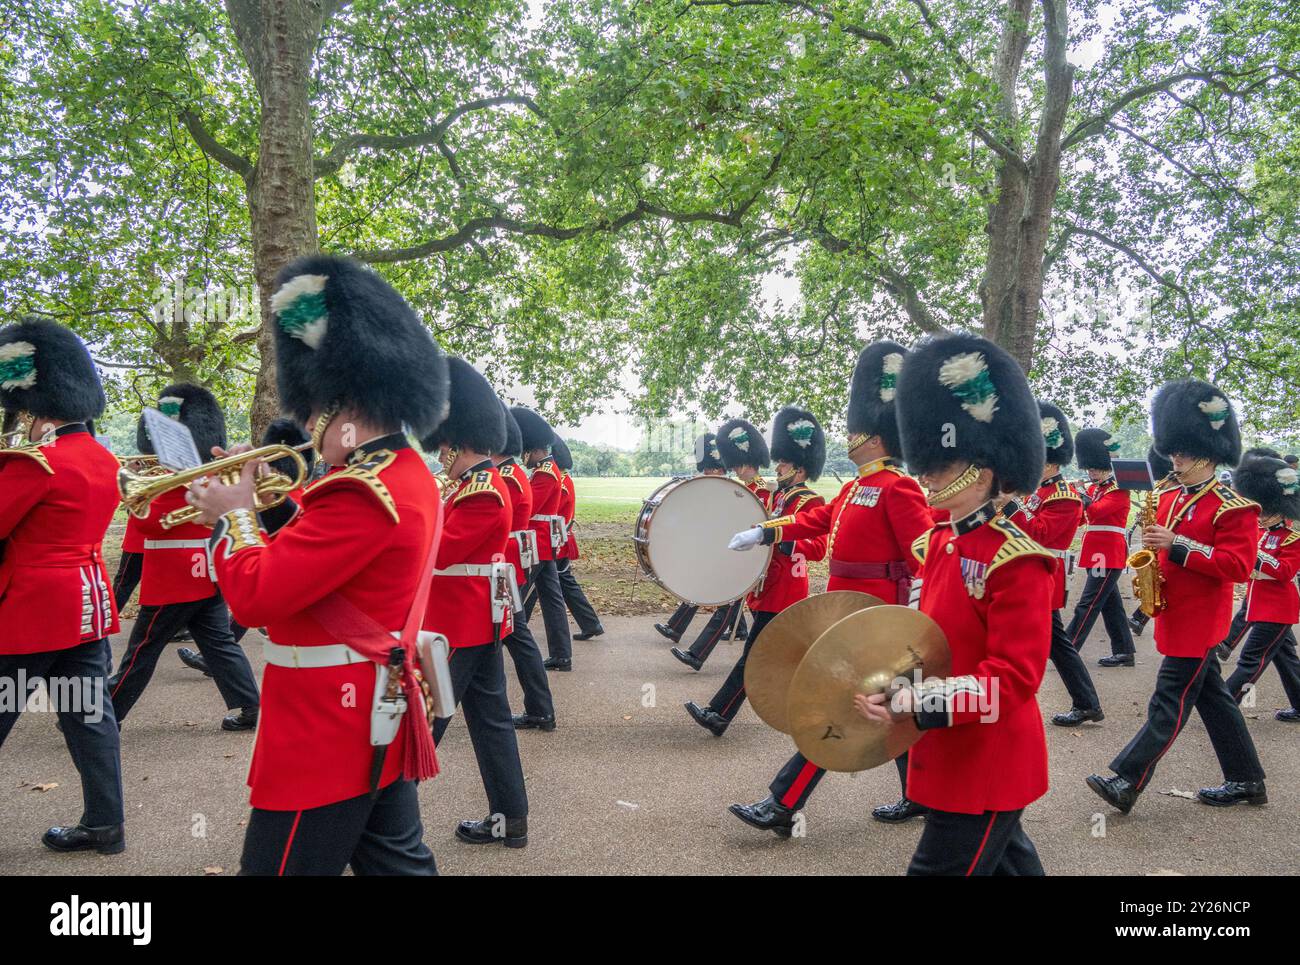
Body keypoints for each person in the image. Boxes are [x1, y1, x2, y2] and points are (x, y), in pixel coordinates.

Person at [188, 254, 445, 875]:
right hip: (366, 704)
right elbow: (328, 559)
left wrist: (235, 517)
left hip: (327, 723)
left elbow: (255, 597)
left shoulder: (359, 490)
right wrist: (265, 502)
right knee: (395, 863)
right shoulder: (399, 475)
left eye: (312, 413)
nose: (305, 427)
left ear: (343, 411)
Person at [855, 332, 1054, 875]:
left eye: (940, 467)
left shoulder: (1015, 559)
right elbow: (930, 642)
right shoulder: (940, 542)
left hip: (987, 758)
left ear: (984, 468)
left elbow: (1011, 680)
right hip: (950, 749)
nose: (926, 475)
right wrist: (893, 684)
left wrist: (917, 702)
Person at [726, 342, 934, 832]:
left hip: (878, 617)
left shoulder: (897, 487)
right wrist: (767, 531)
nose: (849, 435)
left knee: (837, 708)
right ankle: (921, 793)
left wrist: (920, 606)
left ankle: (783, 803)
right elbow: (818, 520)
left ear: (878, 437)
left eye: (857, 429)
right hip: (849, 613)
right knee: (900, 708)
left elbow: (921, 552)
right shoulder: (856, 486)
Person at [1087, 379, 1267, 814]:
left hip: (1201, 617)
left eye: (1183, 450)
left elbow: (1238, 567)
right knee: (1214, 699)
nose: (1175, 456)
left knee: (1169, 699)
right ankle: (1248, 780)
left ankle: (1128, 779)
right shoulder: (1166, 493)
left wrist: (1179, 546)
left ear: (1209, 449)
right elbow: (1159, 545)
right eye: (1173, 449)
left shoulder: (1233, 506)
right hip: (1172, 608)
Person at [0, 319, 126, 855]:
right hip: (88, 605)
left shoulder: (37, 462)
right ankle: (105, 825)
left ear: (33, 408)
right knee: (89, 719)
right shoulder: (102, 457)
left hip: (31, 611)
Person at [106, 384, 261, 730]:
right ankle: (249, 705)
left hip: (173, 580)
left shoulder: (179, 480)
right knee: (219, 643)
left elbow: (149, 523)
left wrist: (138, 493)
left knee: (142, 651)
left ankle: (106, 713)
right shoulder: (211, 474)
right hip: (207, 574)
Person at [425, 360, 530, 848]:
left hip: (458, 625)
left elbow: (440, 552)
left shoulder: (484, 492)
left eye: (444, 442)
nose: (440, 451)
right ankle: (510, 821)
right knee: (490, 725)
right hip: (473, 621)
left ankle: (371, 829)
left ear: (460, 440)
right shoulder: (472, 485)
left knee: (418, 726)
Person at [684, 405, 827, 735]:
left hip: (786, 590)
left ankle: (718, 714)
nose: (778, 465)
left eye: (785, 461)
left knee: (755, 657)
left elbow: (818, 549)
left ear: (801, 467)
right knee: (776, 657)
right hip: (768, 586)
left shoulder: (809, 502)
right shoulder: (781, 498)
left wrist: (784, 542)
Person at [1001, 403, 1102, 727]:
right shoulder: (1035, 490)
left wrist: (1011, 505)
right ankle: (1086, 702)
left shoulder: (1065, 496)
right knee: (1058, 645)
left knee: (1054, 645)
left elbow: (1040, 535)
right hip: (1022, 572)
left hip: (1043, 574)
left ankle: (1078, 702)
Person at [669, 417, 770, 670]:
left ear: (750, 464)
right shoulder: (742, 490)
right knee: (753, 612)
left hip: (755, 559)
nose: (734, 470)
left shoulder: (765, 491)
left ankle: (697, 654)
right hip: (740, 556)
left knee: (732, 605)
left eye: (739, 465)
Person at [1220, 452, 1300, 721]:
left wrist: (1254, 556)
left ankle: (1226, 704)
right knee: (1287, 660)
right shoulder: (1264, 534)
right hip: (1261, 605)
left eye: (1266, 510)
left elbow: (1285, 571)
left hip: (1276, 608)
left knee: (1250, 661)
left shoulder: (1292, 538)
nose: (1261, 515)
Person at [493, 401, 557, 733]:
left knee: (515, 634)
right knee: (514, 635)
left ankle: (539, 709)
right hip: (507, 563)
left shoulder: (507, 477)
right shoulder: (516, 473)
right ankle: (538, 709)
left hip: (504, 563)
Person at [654, 432, 744, 642]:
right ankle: (738, 629)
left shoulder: (730, 489)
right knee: (714, 587)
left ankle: (676, 627)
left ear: (721, 469)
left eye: (710, 469)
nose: (706, 472)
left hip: (727, 548)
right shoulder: (711, 486)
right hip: (716, 546)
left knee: (707, 585)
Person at [1065, 428, 1136, 666]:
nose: (1091, 471)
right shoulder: (1097, 490)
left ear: (1105, 465)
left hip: (1108, 554)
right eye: (1089, 468)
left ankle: (1068, 647)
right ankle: (1124, 651)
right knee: (1110, 605)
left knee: (1088, 603)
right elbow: (1085, 518)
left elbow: (1096, 511)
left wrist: (1081, 493)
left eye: (1094, 468)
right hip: (1095, 551)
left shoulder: (1119, 490)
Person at [512, 406, 575, 672]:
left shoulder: (545, 473)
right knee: (552, 599)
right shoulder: (545, 470)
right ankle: (561, 654)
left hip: (536, 544)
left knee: (514, 602)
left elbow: (529, 508)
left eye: (525, 451)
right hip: (542, 543)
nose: (523, 456)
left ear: (533, 449)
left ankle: (495, 648)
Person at [545, 435, 605, 640]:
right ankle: (591, 623)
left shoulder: (558, 482)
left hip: (556, 540)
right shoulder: (564, 479)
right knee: (563, 583)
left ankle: (517, 630)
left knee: (541, 585)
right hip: (559, 538)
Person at [1128, 446, 1176, 637]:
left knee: (1161, 581)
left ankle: (1141, 616)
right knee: (1157, 580)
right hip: (1156, 539)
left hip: (1167, 540)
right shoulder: (1161, 486)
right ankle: (1140, 617)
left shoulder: (1173, 486)